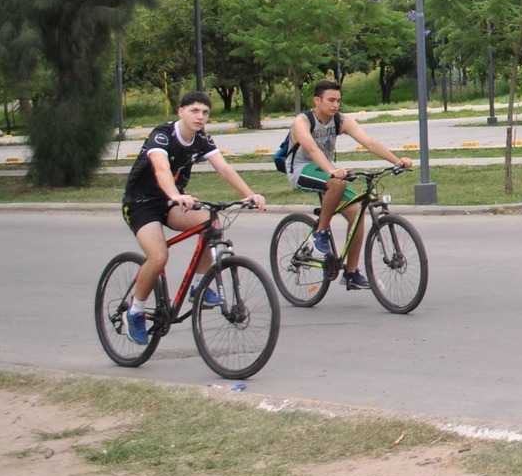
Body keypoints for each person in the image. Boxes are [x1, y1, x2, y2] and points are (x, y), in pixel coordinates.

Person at [122, 90, 265, 343]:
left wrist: (250, 194)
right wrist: (176, 195)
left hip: (172, 201)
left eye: (205, 112)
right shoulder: (163, 136)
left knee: (211, 222)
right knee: (158, 257)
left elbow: (224, 168)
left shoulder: (202, 140)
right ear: (181, 112)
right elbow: (162, 168)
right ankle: (135, 311)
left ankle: (198, 285)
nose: (200, 117)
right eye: (194, 111)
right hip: (141, 204)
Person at [287, 80, 413, 291]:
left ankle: (352, 273)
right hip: (302, 169)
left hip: (327, 170)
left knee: (356, 216)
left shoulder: (341, 121)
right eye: (330, 100)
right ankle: (321, 231)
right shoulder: (303, 121)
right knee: (337, 182)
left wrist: (396, 161)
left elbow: (369, 142)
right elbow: (312, 150)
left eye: (338, 100)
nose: (335, 105)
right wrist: (331, 171)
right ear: (317, 101)